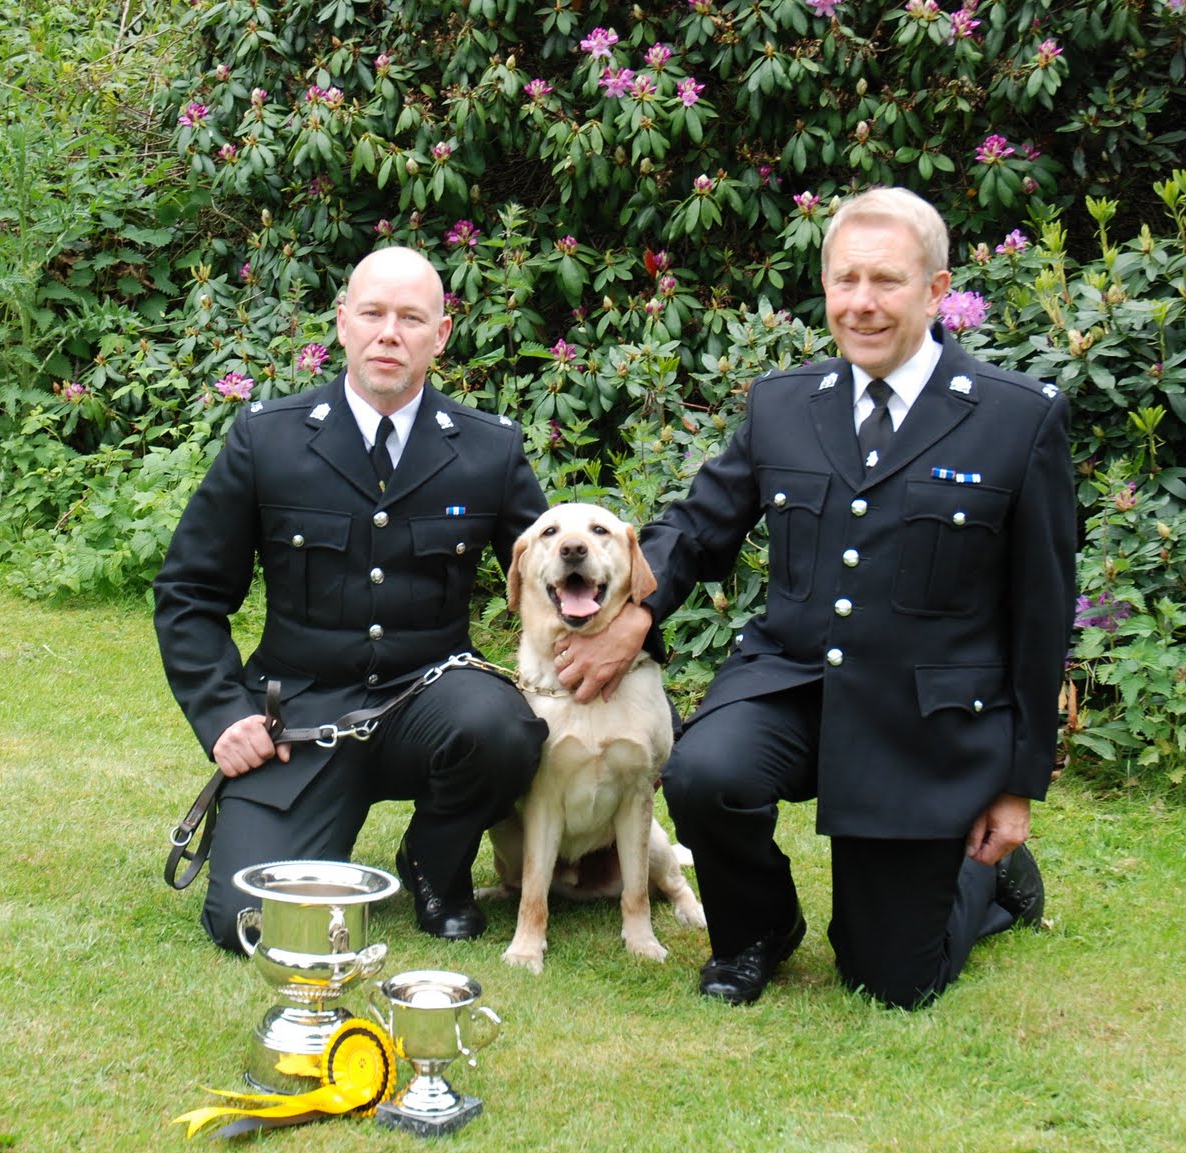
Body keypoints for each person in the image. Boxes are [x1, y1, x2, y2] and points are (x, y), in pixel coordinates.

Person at [560, 188, 1076, 1009]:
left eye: (886, 282)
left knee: (891, 981)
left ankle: (992, 878)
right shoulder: (785, 404)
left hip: (922, 718)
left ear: (938, 292)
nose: (861, 304)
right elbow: (697, 527)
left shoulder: (1016, 422)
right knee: (704, 772)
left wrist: (1016, 788)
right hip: (793, 678)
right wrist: (635, 615)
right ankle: (757, 930)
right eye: (844, 281)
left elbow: (1043, 614)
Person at [153, 246, 549, 952]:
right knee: (250, 926)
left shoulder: (490, 450)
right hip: (299, 717)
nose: (388, 333)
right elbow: (189, 592)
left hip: (432, 704)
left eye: (410, 318)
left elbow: (554, 579)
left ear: (441, 335)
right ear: (342, 324)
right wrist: (224, 713)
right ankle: (303, 839)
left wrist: (615, 638)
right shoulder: (265, 440)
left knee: (505, 728)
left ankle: (434, 865)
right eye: (372, 314)